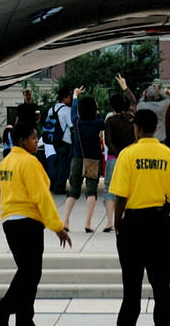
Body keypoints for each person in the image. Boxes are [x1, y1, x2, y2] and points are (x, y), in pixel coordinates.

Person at [0, 123, 72, 326]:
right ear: (22, 141)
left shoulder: (7, 162)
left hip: (10, 222)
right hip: (28, 223)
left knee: (28, 272)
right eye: (33, 138)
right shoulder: (29, 162)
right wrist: (57, 226)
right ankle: (2, 312)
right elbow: (41, 196)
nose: (37, 142)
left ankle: (23, 318)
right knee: (30, 273)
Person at [110, 108, 170, 326]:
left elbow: (120, 196)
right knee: (162, 288)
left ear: (138, 128)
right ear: (155, 128)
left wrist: (117, 225)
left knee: (131, 290)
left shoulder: (127, 154)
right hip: (159, 224)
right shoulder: (169, 155)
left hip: (133, 226)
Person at [63, 89, 105, 232]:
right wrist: (97, 110)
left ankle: (66, 221)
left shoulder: (77, 121)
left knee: (73, 191)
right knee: (91, 191)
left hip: (77, 158)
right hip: (92, 159)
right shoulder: (98, 121)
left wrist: (75, 95)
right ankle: (87, 223)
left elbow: (73, 110)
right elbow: (101, 119)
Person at [103, 86, 137, 233]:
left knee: (109, 188)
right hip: (129, 157)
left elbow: (108, 141)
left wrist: (117, 153)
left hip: (113, 157)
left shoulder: (110, 120)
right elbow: (134, 101)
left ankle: (110, 220)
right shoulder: (131, 117)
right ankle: (124, 217)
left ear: (112, 106)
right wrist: (125, 87)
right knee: (127, 188)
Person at [44, 88, 74, 195]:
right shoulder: (66, 110)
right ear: (65, 98)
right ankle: (60, 187)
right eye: (69, 97)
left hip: (53, 141)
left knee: (56, 164)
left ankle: (52, 185)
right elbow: (71, 126)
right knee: (64, 165)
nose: (70, 99)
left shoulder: (51, 109)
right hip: (65, 141)